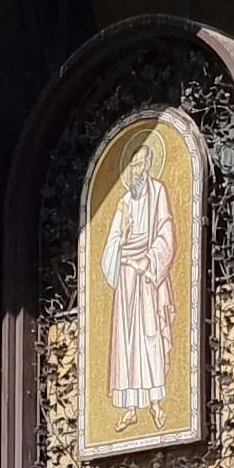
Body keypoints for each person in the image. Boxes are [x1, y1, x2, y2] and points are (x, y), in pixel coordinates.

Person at [100, 130, 178, 427]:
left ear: (150, 164)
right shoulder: (122, 202)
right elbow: (112, 240)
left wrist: (149, 259)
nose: (139, 169)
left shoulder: (158, 192)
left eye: (143, 163)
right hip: (126, 279)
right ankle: (130, 407)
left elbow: (166, 232)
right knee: (127, 342)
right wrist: (121, 238)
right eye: (134, 165)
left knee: (150, 338)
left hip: (147, 275)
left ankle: (157, 403)